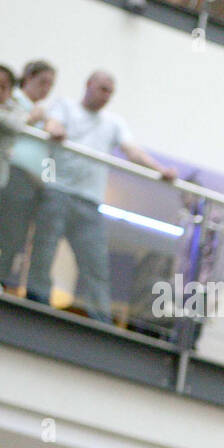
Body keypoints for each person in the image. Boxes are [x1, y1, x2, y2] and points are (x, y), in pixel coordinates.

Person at [24, 70, 177, 324]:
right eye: (102, 88)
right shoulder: (66, 106)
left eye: (110, 91)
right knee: (44, 251)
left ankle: (101, 319)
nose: (106, 95)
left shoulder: (113, 123)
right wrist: (55, 129)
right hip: (57, 192)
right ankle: (36, 302)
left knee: (95, 264)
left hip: (89, 202)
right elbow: (52, 123)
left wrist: (160, 169)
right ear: (89, 85)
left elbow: (132, 150)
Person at [0, 59, 59, 291]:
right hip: (13, 176)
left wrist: (48, 181)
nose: (46, 89)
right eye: (42, 82)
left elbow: (48, 154)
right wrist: (33, 117)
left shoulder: (45, 115)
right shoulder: (14, 102)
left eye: (50, 85)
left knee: (14, 239)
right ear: (28, 78)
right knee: (8, 233)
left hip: (32, 185)